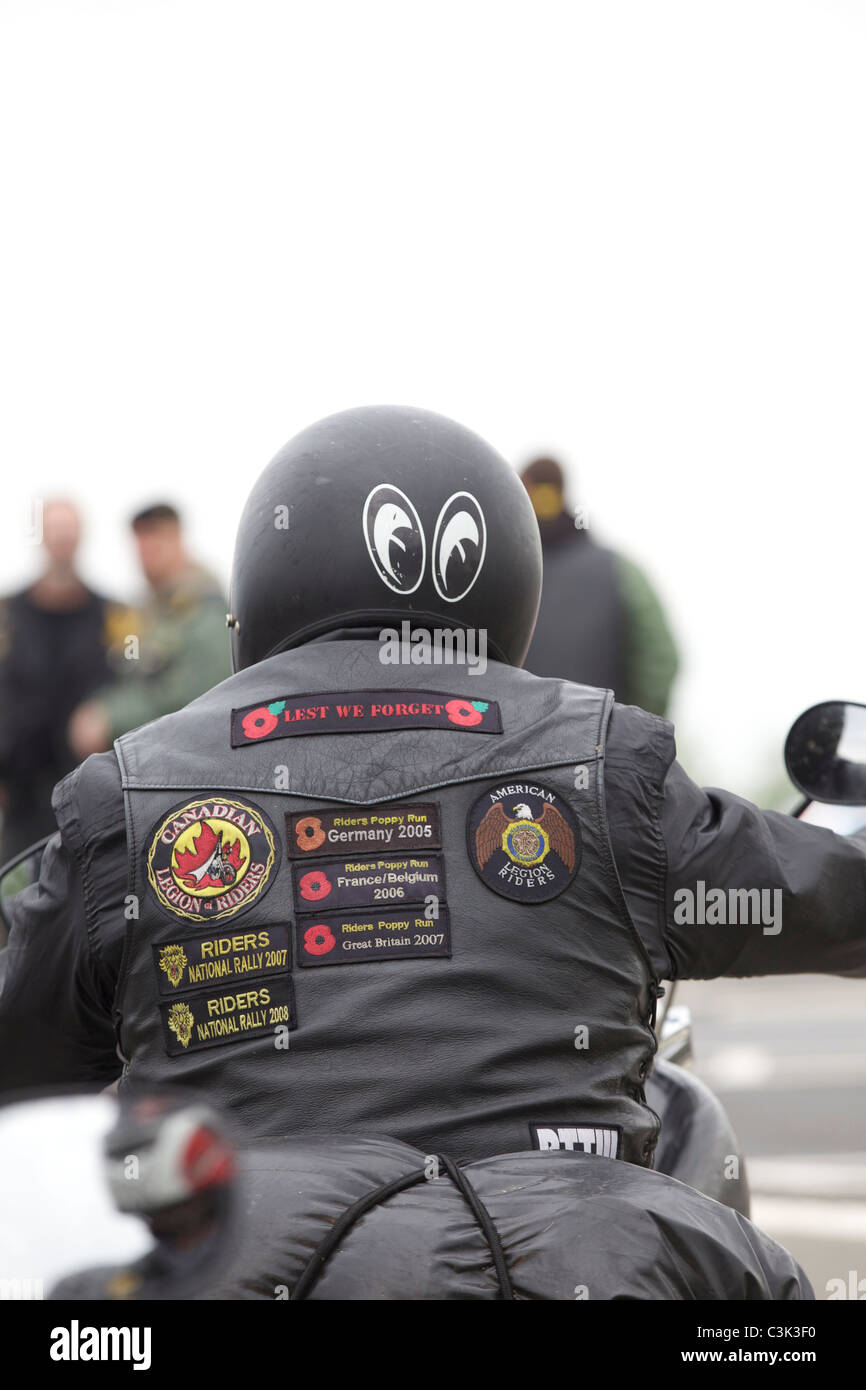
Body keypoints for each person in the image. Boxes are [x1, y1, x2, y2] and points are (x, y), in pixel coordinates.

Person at [0, 406, 864, 1296]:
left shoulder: (132, 791)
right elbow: (832, 897)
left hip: (244, 1266)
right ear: (506, 582)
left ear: (261, 584)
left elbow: (23, 1047)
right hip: (592, 1257)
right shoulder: (605, 766)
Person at [0, 499, 125, 862]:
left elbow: (135, 683)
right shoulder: (8, 614)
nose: (62, 542)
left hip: (91, 798)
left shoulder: (114, 615)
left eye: (68, 534)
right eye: (55, 533)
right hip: (20, 796)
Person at [67, 503, 232, 760]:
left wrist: (109, 716)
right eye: (140, 546)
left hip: (189, 765)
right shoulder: (147, 614)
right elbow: (128, 676)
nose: (145, 556)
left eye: (154, 543)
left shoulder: (205, 610)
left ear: (176, 539)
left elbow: (197, 697)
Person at [520, 455, 679, 716]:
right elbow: (660, 661)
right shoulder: (619, 571)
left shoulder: (495, 572)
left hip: (511, 747)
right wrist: (628, 731)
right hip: (599, 749)